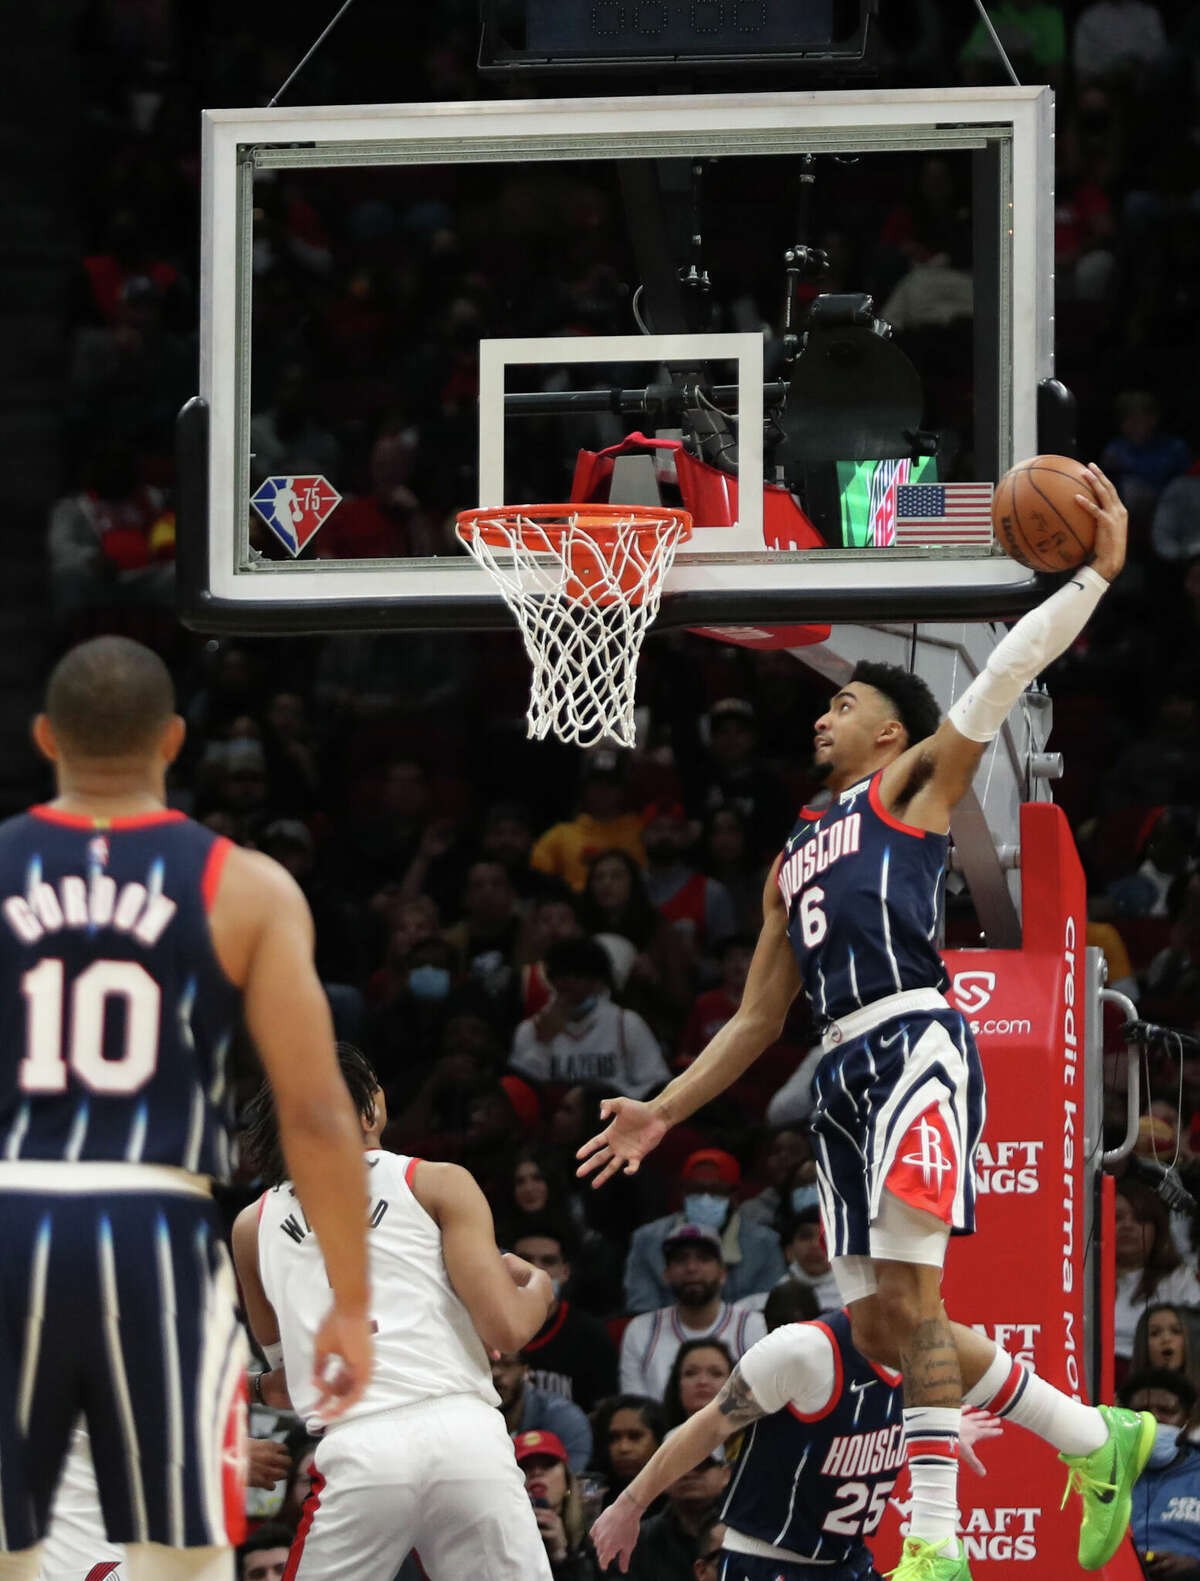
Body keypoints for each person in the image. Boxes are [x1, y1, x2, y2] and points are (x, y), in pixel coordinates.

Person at [579, 469, 1155, 1580]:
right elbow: (757, 1019)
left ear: (892, 730)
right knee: (884, 1328)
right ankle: (1096, 1437)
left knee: (919, 1303)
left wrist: (1092, 575)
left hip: (912, 1044)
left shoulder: (913, 789)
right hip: (837, 1071)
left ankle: (935, 1540)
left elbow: (1005, 670)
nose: (821, 711)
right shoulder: (793, 854)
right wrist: (661, 1109)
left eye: (842, 703)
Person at [0, 637, 373, 1581]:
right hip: (154, 1224)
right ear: (172, 739)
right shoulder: (246, 884)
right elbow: (317, 1113)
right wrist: (350, 1298)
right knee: (181, 1556)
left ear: (45, 737)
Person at [232, 1044, 558, 1579]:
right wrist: (541, 1289)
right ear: (372, 1109)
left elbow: (294, 1385)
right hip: (466, 1436)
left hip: (361, 1451)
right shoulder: (435, 1181)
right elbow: (508, 1330)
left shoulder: (253, 1226)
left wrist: (243, 1388)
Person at [591, 1307, 1002, 1581]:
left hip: (848, 1562)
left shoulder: (925, 1356)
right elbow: (708, 1426)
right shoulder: (805, 1350)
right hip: (768, 1563)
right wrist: (631, 1504)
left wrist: (937, 1429)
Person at [623, 1150, 787, 1313]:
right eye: (696, 1190)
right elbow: (642, 1306)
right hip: (665, 1327)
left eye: (716, 1190)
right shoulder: (647, 1239)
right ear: (682, 1192)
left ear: (733, 1195)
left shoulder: (765, 1243)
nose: (705, 1198)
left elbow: (770, 1305)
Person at [509, 936, 670, 1099]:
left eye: (579, 976)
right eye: (563, 976)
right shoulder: (531, 1029)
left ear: (597, 982)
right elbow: (521, 1094)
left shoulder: (625, 1023)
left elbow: (657, 1084)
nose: (570, 984)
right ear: (552, 981)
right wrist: (542, 1044)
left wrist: (609, 1098)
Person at [619, 1225, 766, 1401]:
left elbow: (762, 1401)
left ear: (722, 1274)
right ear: (666, 1274)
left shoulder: (753, 1326)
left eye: (703, 1259)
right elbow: (635, 1409)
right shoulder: (641, 1330)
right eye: (681, 1260)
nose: (691, 1268)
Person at [511, 1221, 619, 1411]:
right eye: (525, 1259)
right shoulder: (484, 1325)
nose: (536, 1269)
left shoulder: (590, 1335)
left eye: (548, 1261)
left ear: (565, 1272)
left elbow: (603, 1411)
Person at [1120, 1369, 1200, 1577]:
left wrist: (1193, 1565)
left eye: (1166, 1411)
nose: (1153, 1420)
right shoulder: (1106, 1473)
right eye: (1141, 1412)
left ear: (1187, 1419)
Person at [1115, 1179, 1200, 1366]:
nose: (1128, 1226)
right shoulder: (1080, 1279)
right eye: (1117, 1218)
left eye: (1140, 1219)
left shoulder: (1180, 1280)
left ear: (1157, 1228)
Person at [514, 1430, 600, 1580]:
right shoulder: (503, 1539)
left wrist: (561, 1556)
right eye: (524, 1467)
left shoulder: (593, 1539)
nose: (536, 1473)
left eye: (548, 1465)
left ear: (567, 1480)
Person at [491, 1351, 594, 1472]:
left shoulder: (563, 1417)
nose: (495, 1373)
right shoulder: (472, 1419)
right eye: (488, 1363)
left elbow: (574, 1479)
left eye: (507, 1364)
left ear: (525, 1370)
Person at [589, 1398, 668, 1511]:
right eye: (614, 1438)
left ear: (659, 1441)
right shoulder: (597, 1497)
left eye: (635, 1436)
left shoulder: (677, 1497)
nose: (623, 1448)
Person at [663, 1340, 734, 1427]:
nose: (702, 1381)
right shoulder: (662, 1435)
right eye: (691, 1373)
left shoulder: (748, 1433)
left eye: (716, 1373)